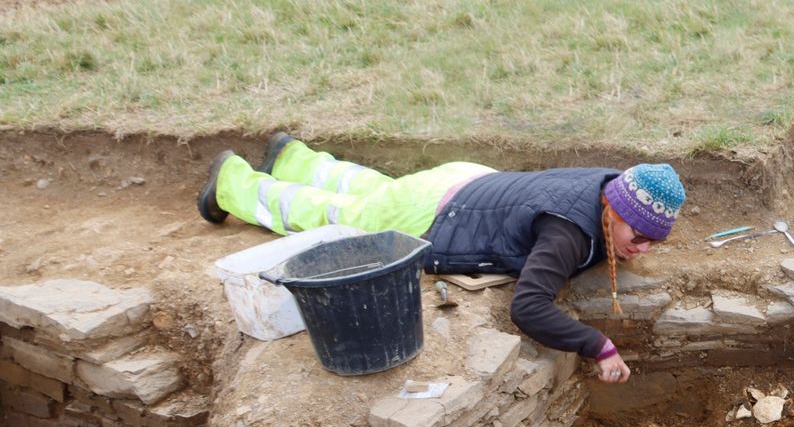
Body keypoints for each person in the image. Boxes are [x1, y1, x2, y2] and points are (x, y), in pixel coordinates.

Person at [196, 135, 685, 384]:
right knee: (342, 216)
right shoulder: (567, 232)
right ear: (613, 210)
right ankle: (235, 183)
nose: (642, 249)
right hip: (441, 214)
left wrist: (625, 241)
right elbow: (529, 306)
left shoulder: (609, 184)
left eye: (654, 242)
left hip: (469, 180)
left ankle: (294, 158)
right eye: (637, 235)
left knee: (381, 191)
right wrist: (598, 345)